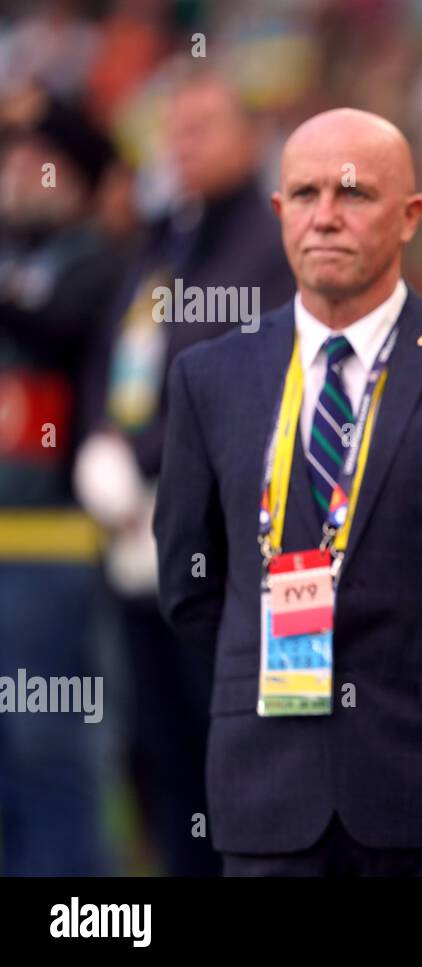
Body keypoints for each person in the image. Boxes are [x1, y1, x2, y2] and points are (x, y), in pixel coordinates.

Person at [154, 108, 422, 876]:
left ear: (410, 215)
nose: (325, 216)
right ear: (280, 211)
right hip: (271, 800)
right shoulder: (208, 378)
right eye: (305, 194)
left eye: (353, 194)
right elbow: (191, 587)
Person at [75, 66, 295, 876]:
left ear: (249, 138)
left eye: (203, 126)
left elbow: (244, 376)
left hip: (229, 552)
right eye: (176, 128)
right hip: (137, 543)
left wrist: (148, 462)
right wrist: (102, 442)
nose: (184, 143)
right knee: (161, 757)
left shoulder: (272, 246)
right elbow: (117, 353)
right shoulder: (163, 239)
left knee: (235, 762)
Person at [0, 90, 120, 874]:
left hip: (50, 550)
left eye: (39, 162)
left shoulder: (98, 267)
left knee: (50, 749)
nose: (18, 176)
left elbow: (50, 325)